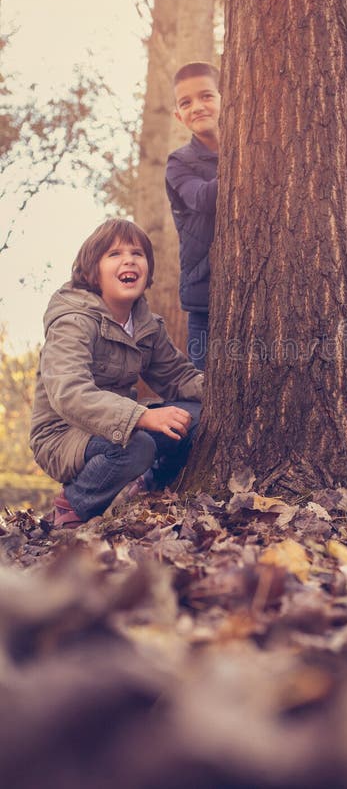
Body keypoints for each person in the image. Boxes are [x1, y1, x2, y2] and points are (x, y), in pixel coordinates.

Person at [29, 218, 205, 529]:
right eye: (114, 254)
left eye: (137, 254)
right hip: (63, 434)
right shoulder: (73, 321)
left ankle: (152, 483)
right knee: (138, 447)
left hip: (118, 426)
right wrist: (139, 417)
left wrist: (230, 396)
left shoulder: (146, 324)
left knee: (197, 417)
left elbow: (177, 376)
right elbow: (69, 393)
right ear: (91, 272)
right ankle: (74, 503)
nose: (129, 260)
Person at [165, 61, 221, 370]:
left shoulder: (253, 143)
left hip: (255, 290)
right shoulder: (179, 162)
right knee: (206, 387)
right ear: (178, 116)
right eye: (186, 103)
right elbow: (202, 198)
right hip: (204, 301)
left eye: (206, 96)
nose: (197, 107)